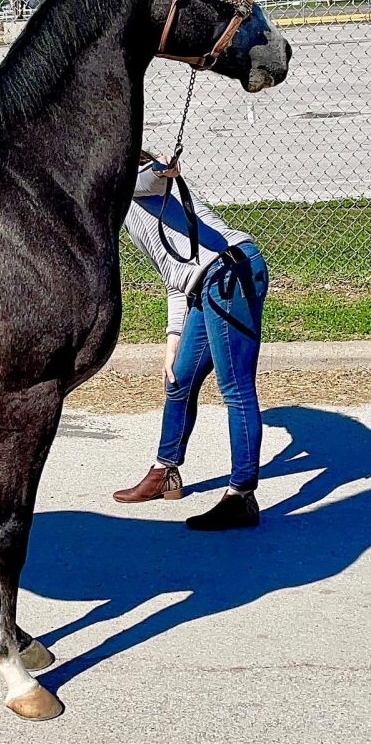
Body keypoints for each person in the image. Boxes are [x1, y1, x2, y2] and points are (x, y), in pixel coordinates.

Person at [113, 150, 269, 531]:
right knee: (179, 378)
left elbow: (155, 175)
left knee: (235, 388)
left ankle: (241, 497)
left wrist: (161, 167)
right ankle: (165, 471)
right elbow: (175, 277)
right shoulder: (128, 205)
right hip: (206, 285)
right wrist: (173, 340)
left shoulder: (134, 185)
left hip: (230, 273)